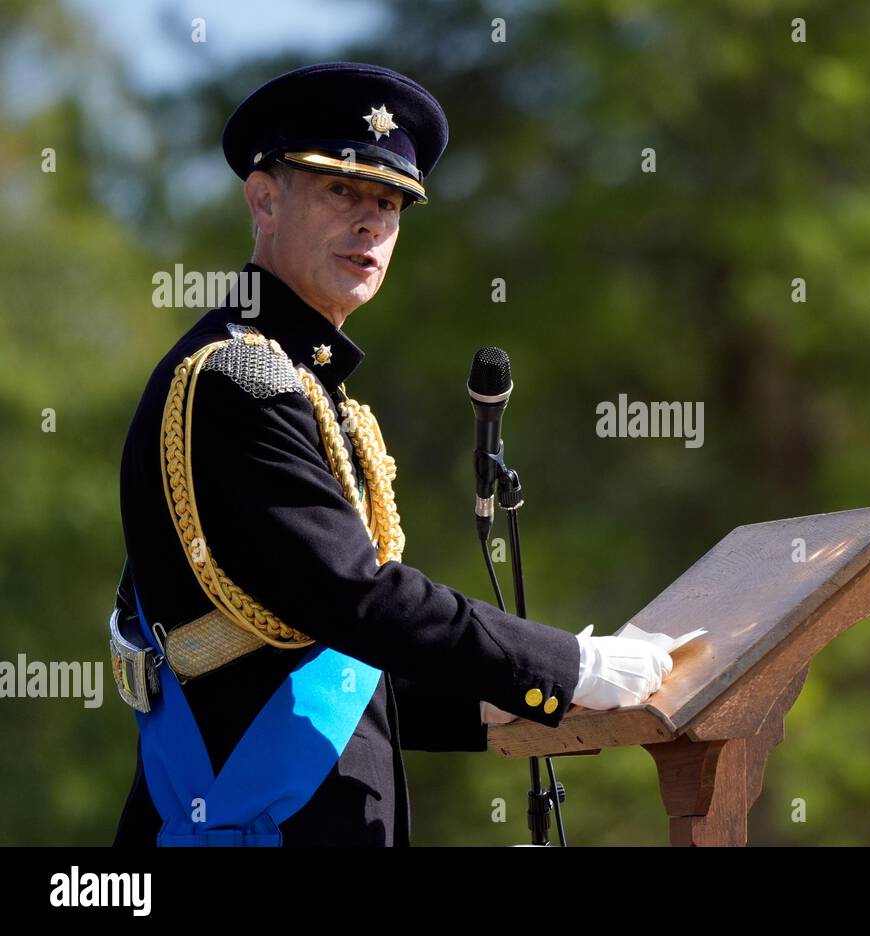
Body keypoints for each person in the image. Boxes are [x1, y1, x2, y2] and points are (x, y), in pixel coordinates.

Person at [110, 62, 672, 846]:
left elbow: (328, 668)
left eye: (389, 203)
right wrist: (566, 664)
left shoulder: (306, 385)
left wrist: (518, 697)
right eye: (341, 191)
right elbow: (354, 597)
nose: (370, 223)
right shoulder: (239, 380)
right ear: (264, 198)